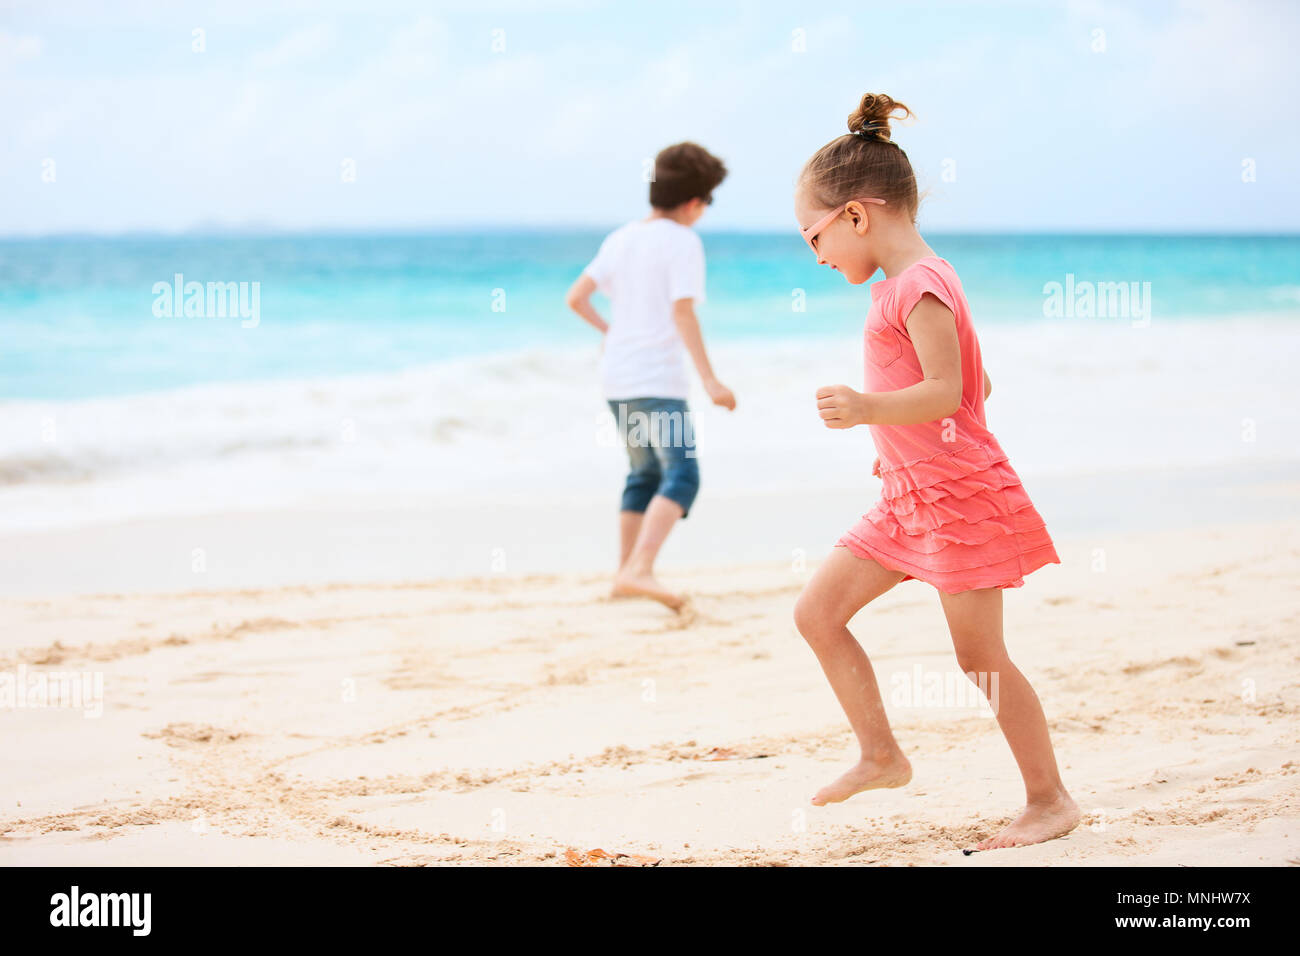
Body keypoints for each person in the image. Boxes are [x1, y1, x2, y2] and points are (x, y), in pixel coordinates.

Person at [791, 93, 1080, 852]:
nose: (815, 256)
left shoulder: (918, 284)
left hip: (960, 501)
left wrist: (867, 408)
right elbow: (979, 386)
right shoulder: (914, 281)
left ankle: (1049, 799)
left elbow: (949, 391)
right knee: (817, 614)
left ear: (856, 215)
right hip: (910, 495)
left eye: (814, 236)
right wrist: (905, 445)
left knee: (981, 657)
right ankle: (880, 755)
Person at [565, 142, 736, 612]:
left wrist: (612, 333)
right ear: (694, 202)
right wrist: (711, 380)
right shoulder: (683, 242)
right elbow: (683, 313)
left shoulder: (620, 238)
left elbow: (576, 298)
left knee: (643, 474)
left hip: (617, 380)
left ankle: (624, 574)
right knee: (683, 476)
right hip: (658, 383)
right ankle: (639, 569)